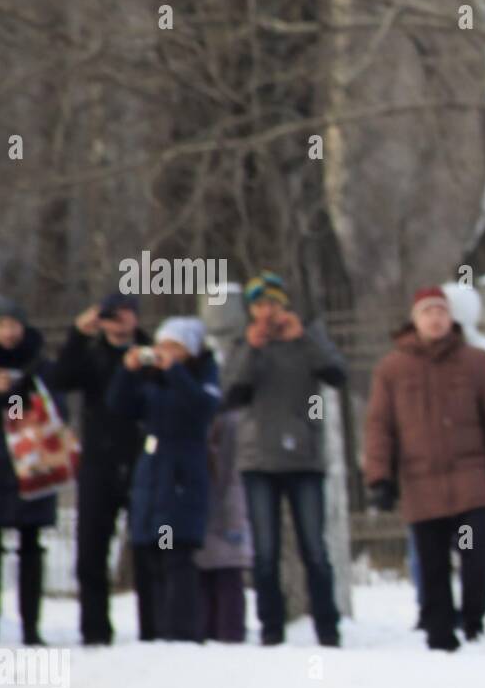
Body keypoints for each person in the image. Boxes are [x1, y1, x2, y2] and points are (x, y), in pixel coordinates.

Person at [364, 287, 485, 652]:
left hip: (470, 480)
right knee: (431, 566)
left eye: (441, 312)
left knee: (477, 554)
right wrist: (379, 477)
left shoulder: (477, 361)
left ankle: (474, 619)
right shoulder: (393, 368)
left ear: (451, 318)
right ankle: (439, 634)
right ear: (414, 320)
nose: (435, 319)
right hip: (421, 484)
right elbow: (379, 426)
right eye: (427, 313)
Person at [223, 272, 346, 647]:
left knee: (315, 549)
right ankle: (271, 629)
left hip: (304, 458)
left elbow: (336, 375)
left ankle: (328, 628)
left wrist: (305, 338)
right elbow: (231, 394)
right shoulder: (241, 345)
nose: (267, 312)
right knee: (265, 552)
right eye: (259, 305)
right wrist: (250, 348)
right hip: (258, 460)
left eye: (273, 303)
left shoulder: (308, 337)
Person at [106, 317, 220, 642]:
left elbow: (202, 407)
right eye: (162, 345)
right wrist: (126, 372)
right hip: (151, 475)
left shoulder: (200, 376)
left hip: (181, 478)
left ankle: (179, 632)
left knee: (174, 552)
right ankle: (151, 630)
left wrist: (175, 371)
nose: (164, 352)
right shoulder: (150, 379)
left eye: (174, 346)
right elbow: (119, 405)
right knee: (148, 553)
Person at [49, 292, 153, 645]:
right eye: (112, 314)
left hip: (143, 458)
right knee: (91, 546)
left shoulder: (151, 351)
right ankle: (94, 632)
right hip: (98, 460)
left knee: (150, 548)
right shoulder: (91, 354)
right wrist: (78, 335)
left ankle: (154, 631)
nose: (119, 320)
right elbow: (59, 379)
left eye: (126, 313)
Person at [0, 299, 66, 645]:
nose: (8, 332)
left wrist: (27, 393)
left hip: (35, 467)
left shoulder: (41, 367)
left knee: (31, 549)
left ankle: (31, 628)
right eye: (0, 325)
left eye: (13, 324)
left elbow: (59, 411)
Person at [194, 405, 252, 643]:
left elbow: (236, 478)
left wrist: (234, 520)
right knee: (210, 577)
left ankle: (228, 635)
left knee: (226, 576)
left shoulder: (233, 425)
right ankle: (215, 632)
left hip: (226, 512)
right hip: (209, 512)